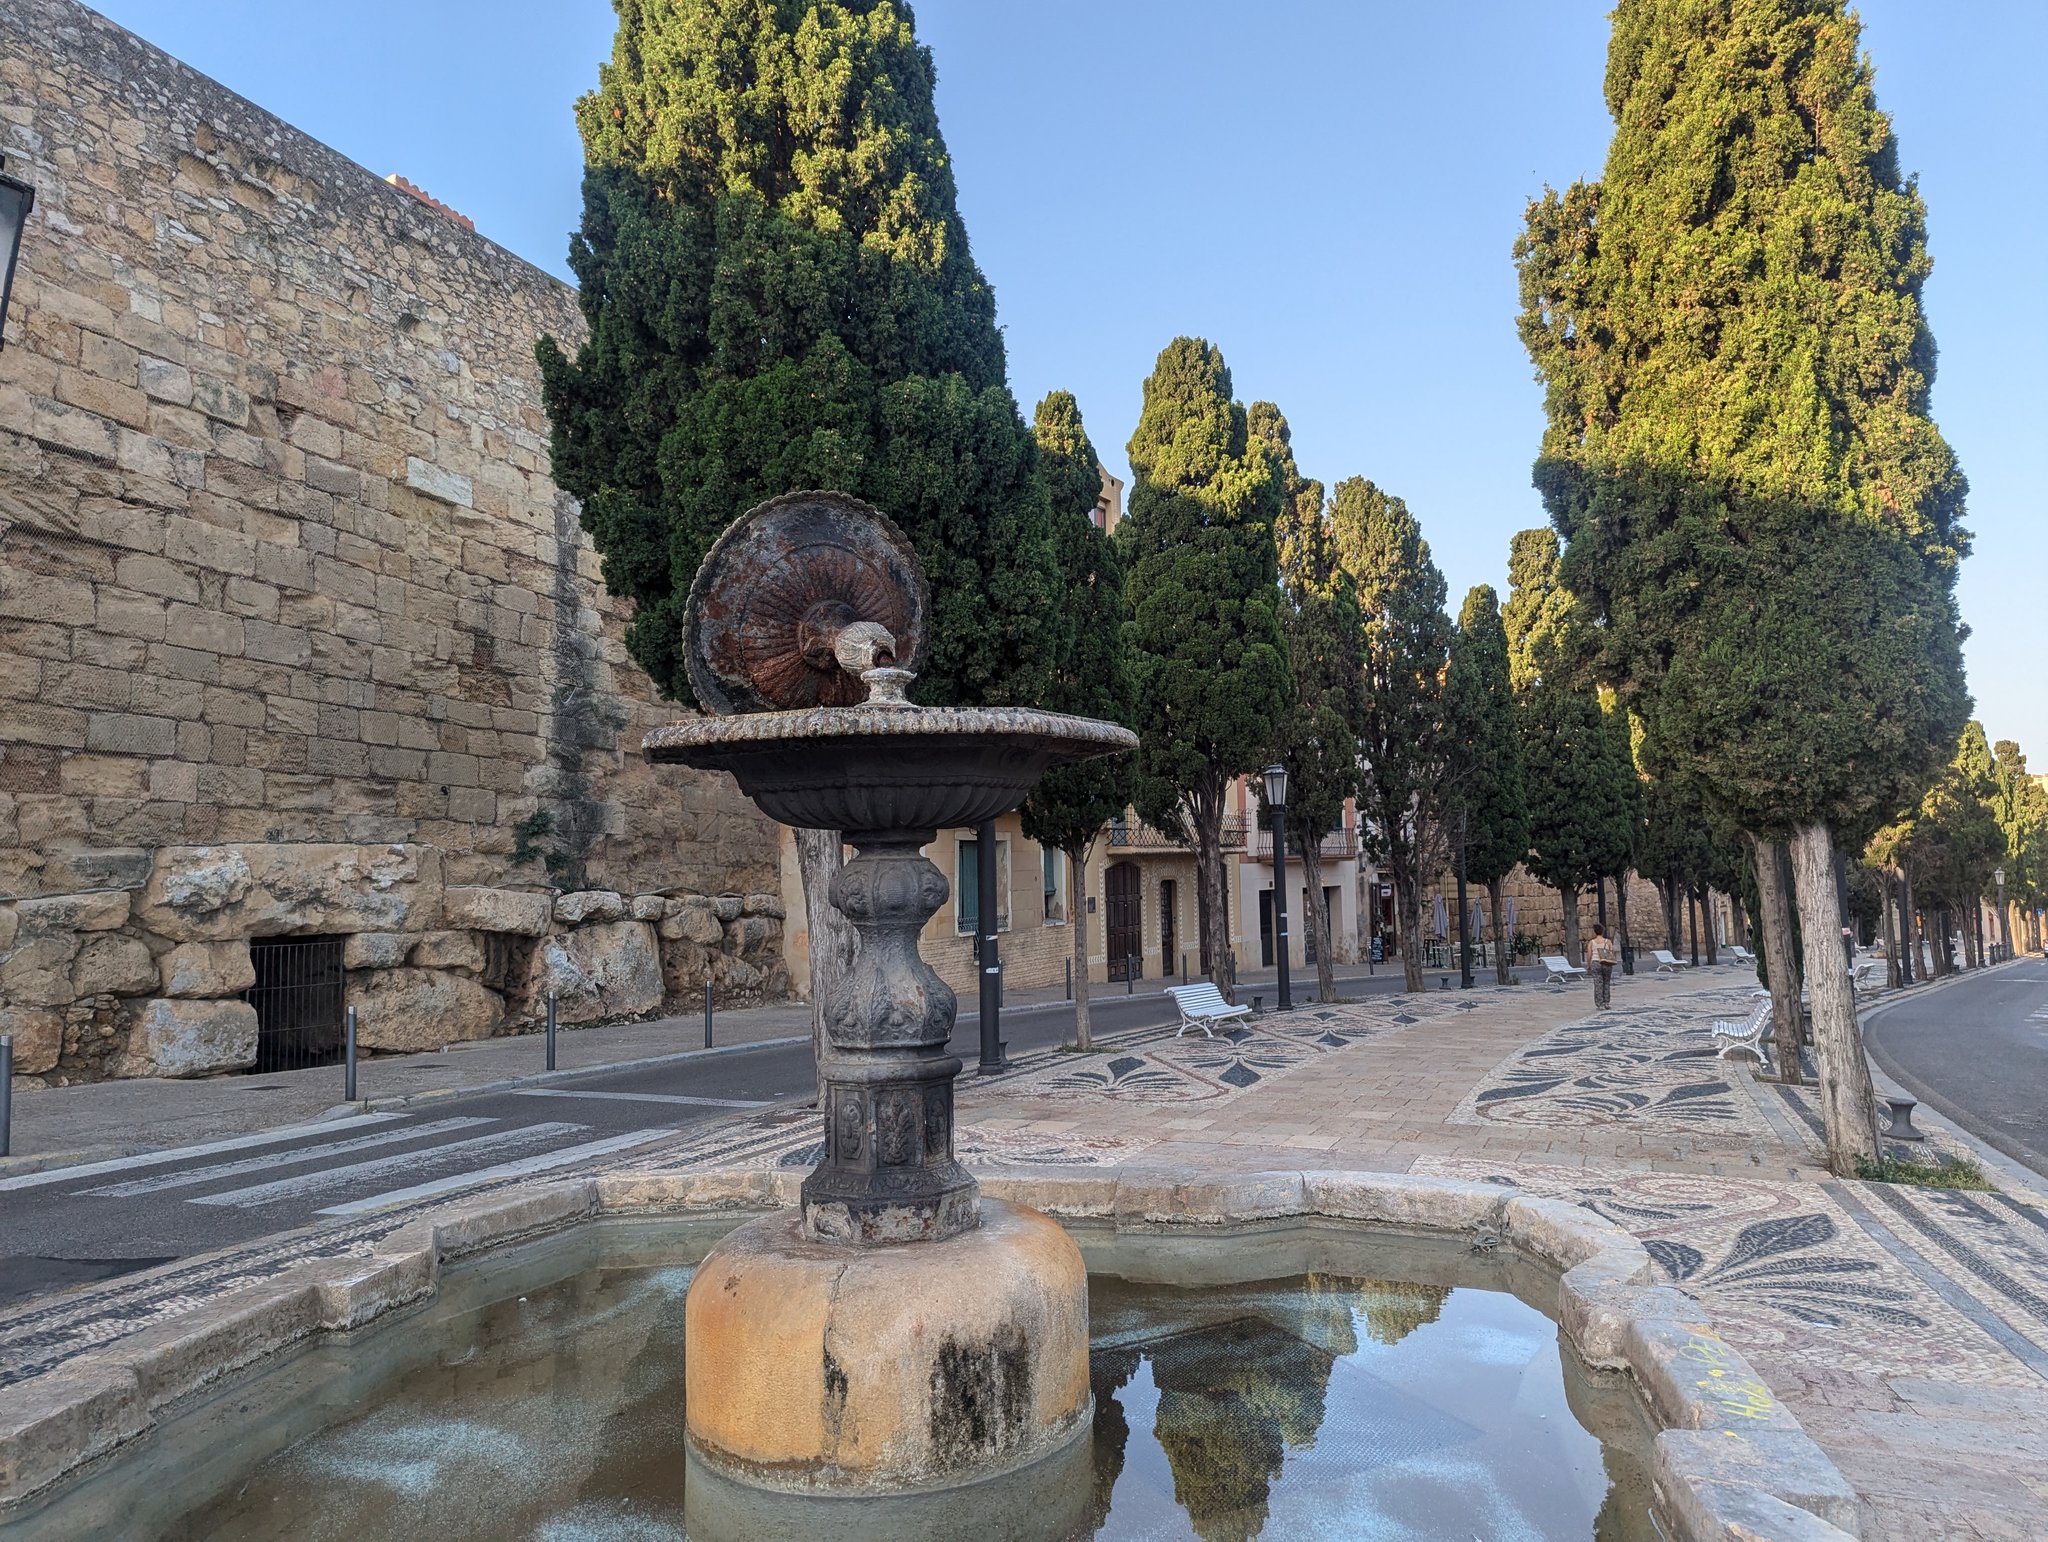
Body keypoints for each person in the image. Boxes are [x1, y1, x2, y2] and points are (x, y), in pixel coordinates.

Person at [1587, 923, 1620, 1009]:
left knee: (1598, 983)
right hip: (1606, 963)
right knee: (1606, 982)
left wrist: (1589, 965)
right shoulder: (1607, 941)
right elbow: (1612, 952)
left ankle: (1599, 1003)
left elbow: (1589, 955)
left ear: (1595, 932)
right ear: (1602, 932)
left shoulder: (1591, 942)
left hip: (1595, 962)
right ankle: (1606, 1002)